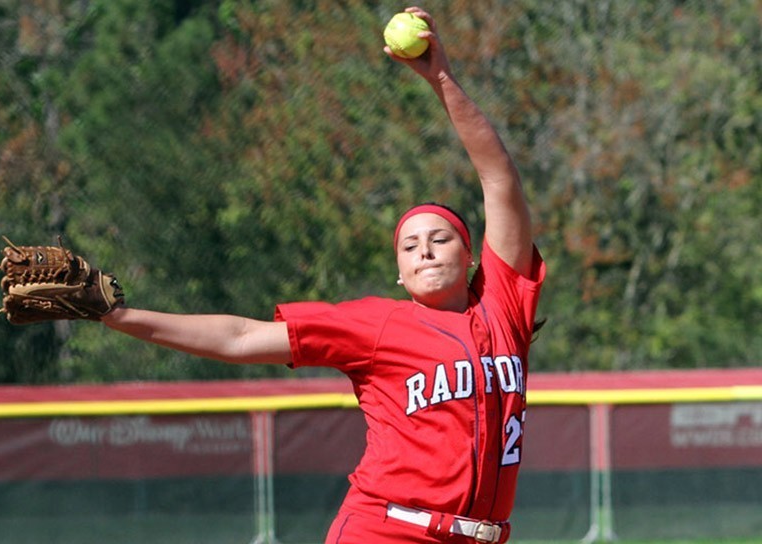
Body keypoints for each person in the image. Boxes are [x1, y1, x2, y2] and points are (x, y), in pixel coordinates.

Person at [101, 6, 545, 543]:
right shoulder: (377, 327)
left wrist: (441, 79)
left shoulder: (504, 308)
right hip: (387, 531)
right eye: (409, 246)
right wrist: (120, 317)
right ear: (399, 274)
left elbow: (498, 180)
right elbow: (241, 337)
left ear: (471, 257)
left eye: (440, 239)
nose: (425, 251)